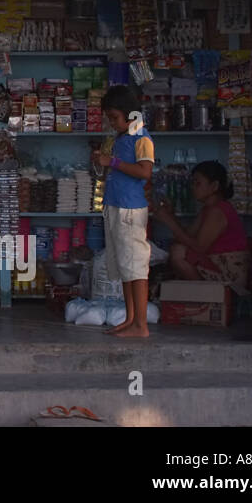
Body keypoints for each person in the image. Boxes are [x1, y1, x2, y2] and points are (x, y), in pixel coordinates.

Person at [91, 85, 154, 338]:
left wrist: (112, 162)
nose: (112, 123)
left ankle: (141, 324)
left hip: (130, 209)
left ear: (130, 114)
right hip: (116, 206)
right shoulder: (121, 138)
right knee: (125, 267)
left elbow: (145, 172)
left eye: (115, 118)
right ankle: (130, 318)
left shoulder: (142, 138)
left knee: (136, 267)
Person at [151, 160, 249, 296]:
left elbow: (199, 246)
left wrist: (170, 221)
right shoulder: (207, 210)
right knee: (177, 249)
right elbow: (185, 237)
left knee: (178, 253)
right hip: (217, 266)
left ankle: (206, 296)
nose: (192, 187)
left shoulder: (218, 211)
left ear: (214, 186)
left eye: (197, 183)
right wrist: (171, 216)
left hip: (230, 275)